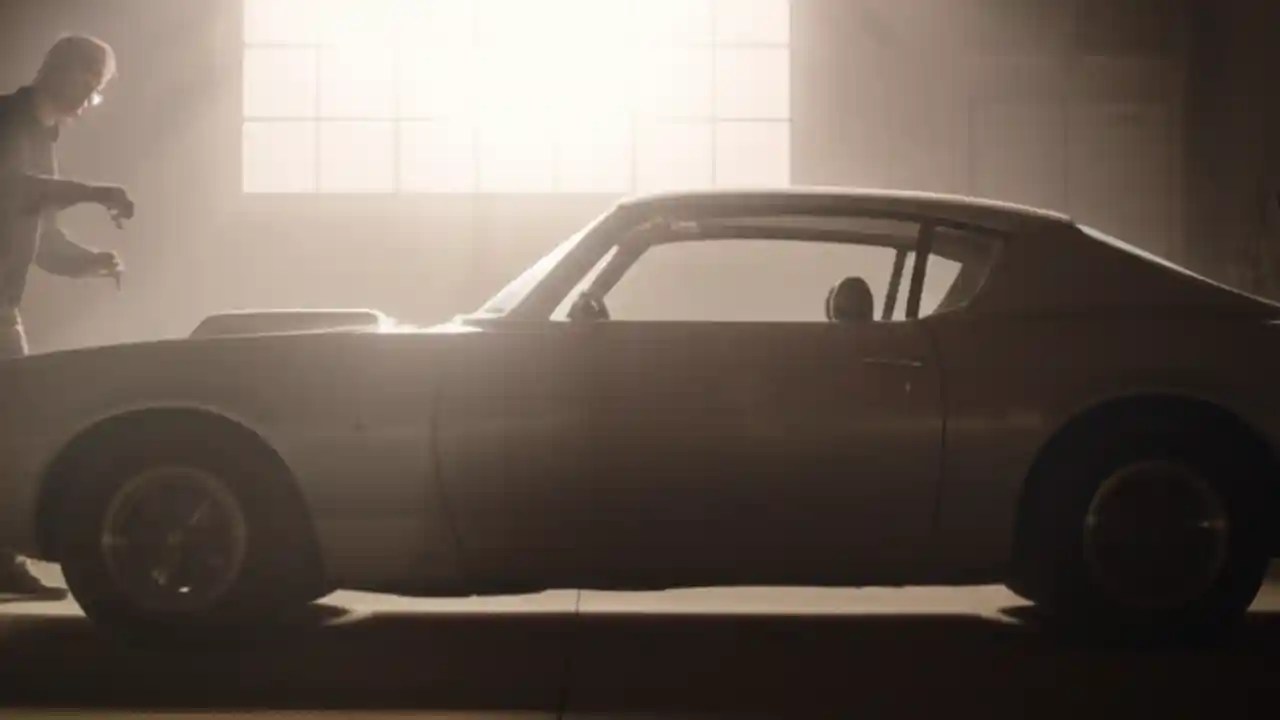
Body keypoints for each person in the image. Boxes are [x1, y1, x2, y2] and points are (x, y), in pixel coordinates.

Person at [0, 35, 135, 598]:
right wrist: (93, 190)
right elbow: (11, 189)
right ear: (68, 70)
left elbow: (43, 240)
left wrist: (90, 263)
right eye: (93, 84)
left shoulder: (44, 140)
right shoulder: (7, 119)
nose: (90, 99)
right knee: (12, 421)